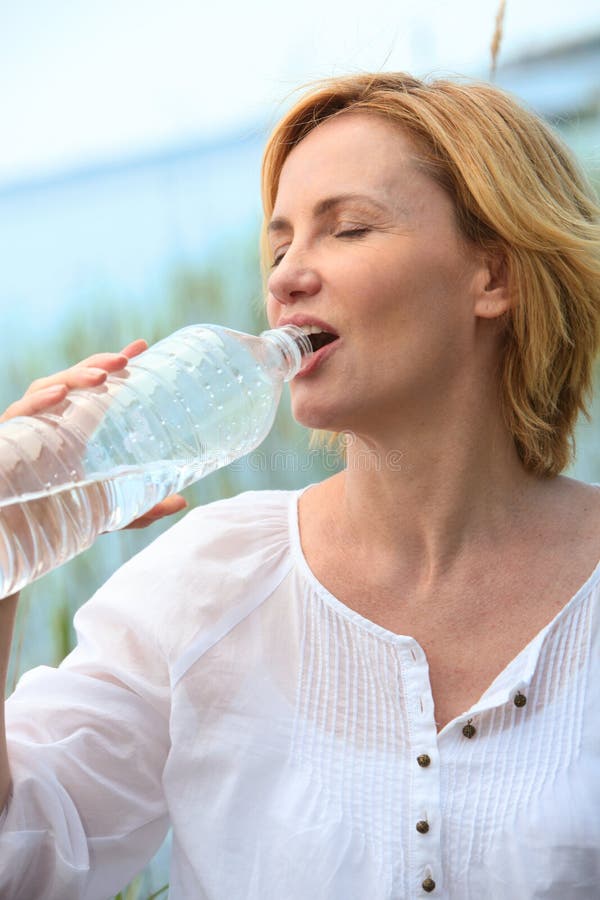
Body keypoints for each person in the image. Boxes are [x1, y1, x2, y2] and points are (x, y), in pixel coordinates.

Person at [1, 71, 599, 899]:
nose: (285, 278)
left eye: (347, 229)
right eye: (279, 246)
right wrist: (8, 557)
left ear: (493, 277)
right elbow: (22, 861)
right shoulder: (209, 582)